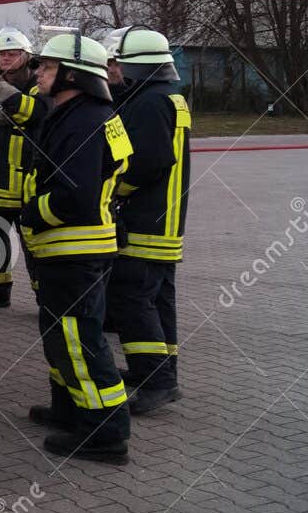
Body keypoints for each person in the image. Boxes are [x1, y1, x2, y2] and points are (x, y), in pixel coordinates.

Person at [22, 34, 134, 464]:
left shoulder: (83, 121)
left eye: (47, 68)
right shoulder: (90, 114)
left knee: (79, 340)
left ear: (73, 75)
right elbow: (120, 171)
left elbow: (76, 196)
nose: (39, 74)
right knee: (63, 337)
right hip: (78, 249)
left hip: (74, 250)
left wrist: (32, 212)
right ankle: (70, 409)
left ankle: (106, 432)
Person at [103, 27, 189, 415]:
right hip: (166, 220)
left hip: (145, 220)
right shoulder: (168, 96)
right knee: (158, 299)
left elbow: (149, 162)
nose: (113, 70)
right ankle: (160, 368)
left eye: (117, 63)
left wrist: (115, 190)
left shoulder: (150, 102)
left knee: (132, 299)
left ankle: (156, 380)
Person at [0, 28, 49, 310]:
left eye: (12, 54)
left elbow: (34, 112)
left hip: (29, 179)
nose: (6, 59)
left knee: (34, 242)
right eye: (2, 54)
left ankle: (45, 297)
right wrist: (2, 115)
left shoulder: (39, 85)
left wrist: (2, 104)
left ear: (26, 57)